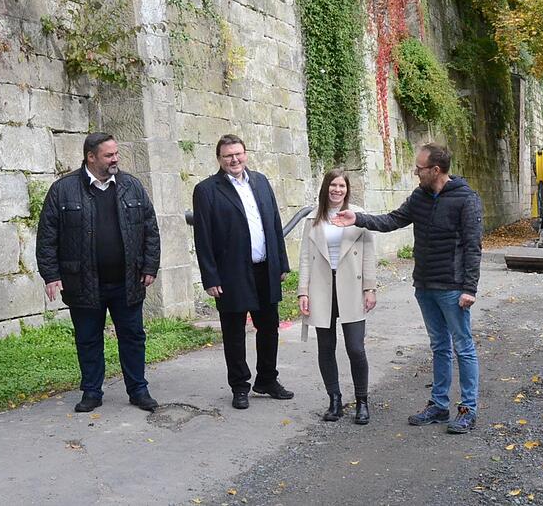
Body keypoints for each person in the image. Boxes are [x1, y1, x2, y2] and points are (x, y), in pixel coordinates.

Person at [332, 143, 483, 433]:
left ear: (435, 170)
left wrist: (469, 288)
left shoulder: (466, 199)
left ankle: (467, 409)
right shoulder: (420, 197)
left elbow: (473, 247)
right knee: (439, 346)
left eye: (419, 168)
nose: (416, 173)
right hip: (424, 285)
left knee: (462, 347)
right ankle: (439, 405)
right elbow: (393, 220)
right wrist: (358, 218)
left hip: (452, 288)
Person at [36, 133, 161, 414]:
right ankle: (92, 392)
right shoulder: (63, 190)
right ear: (90, 157)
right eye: (109, 155)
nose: (115, 159)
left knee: (133, 336)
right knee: (88, 337)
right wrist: (51, 275)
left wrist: (150, 266)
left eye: (116, 153)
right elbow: (47, 236)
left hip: (127, 280)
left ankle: (138, 390)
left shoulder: (131, 186)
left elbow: (150, 229)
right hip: (82, 281)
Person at [192, 134, 295, 410]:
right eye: (228, 156)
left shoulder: (260, 181)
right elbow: (203, 238)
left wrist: (281, 263)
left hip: (264, 268)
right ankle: (240, 386)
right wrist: (210, 277)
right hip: (231, 272)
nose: (234, 159)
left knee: (269, 327)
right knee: (234, 332)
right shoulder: (206, 190)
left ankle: (267, 379)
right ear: (219, 159)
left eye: (238, 154)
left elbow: (274, 223)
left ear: (245, 154)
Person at [297, 169, 377, 424]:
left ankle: (362, 401)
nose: (337, 190)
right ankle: (334, 399)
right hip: (322, 286)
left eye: (341, 186)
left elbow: (368, 254)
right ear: (325, 188)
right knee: (326, 347)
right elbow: (305, 259)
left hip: (351, 286)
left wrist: (370, 288)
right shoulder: (312, 219)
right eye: (333, 185)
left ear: (347, 189)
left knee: (356, 347)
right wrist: (303, 291)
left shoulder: (358, 216)